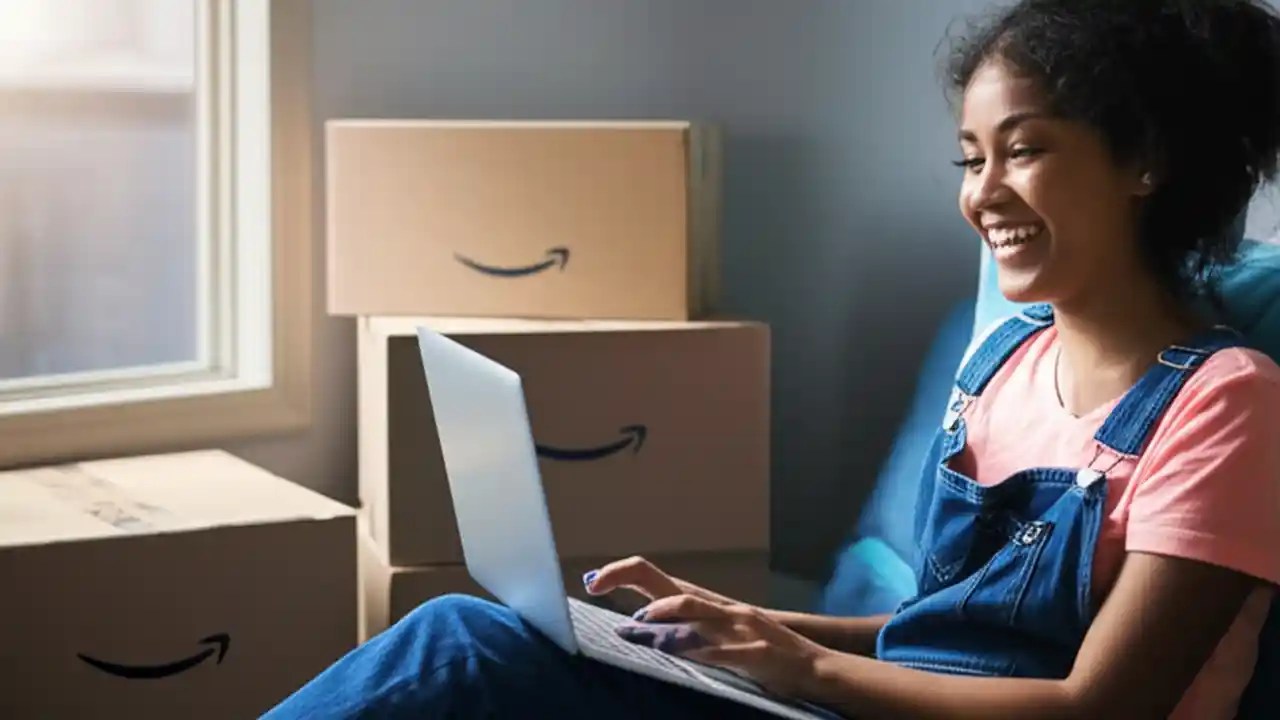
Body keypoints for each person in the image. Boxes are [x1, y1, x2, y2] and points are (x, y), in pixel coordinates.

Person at [265, 1, 1280, 717]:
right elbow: (936, 633)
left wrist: (801, 668)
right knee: (512, 638)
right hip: (858, 709)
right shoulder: (1003, 365)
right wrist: (741, 624)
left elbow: (1099, 708)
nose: (982, 194)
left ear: (1143, 158)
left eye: (1021, 149)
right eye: (969, 159)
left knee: (464, 649)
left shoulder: (1223, 404)